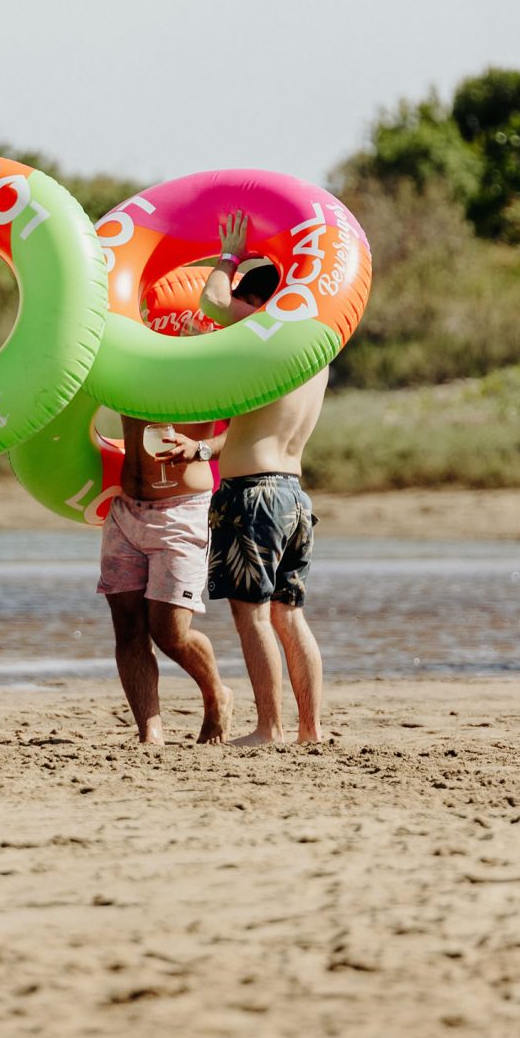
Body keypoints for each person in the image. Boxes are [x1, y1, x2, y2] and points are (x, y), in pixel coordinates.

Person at [198, 211, 328, 746]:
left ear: (255, 304)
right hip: (295, 494)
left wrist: (228, 255)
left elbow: (210, 300)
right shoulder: (315, 349)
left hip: (253, 495)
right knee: (289, 615)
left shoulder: (264, 335)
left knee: (251, 616)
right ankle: (309, 729)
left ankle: (269, 727)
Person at [98, 412, 234, 745]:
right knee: (127, 625)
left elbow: (247, 433)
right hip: (126, 507)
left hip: (184, 510)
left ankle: (217, 693)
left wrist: (200, 448)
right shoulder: (131, 363)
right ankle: (149, 732)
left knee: (170, 630)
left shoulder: (207, 370)